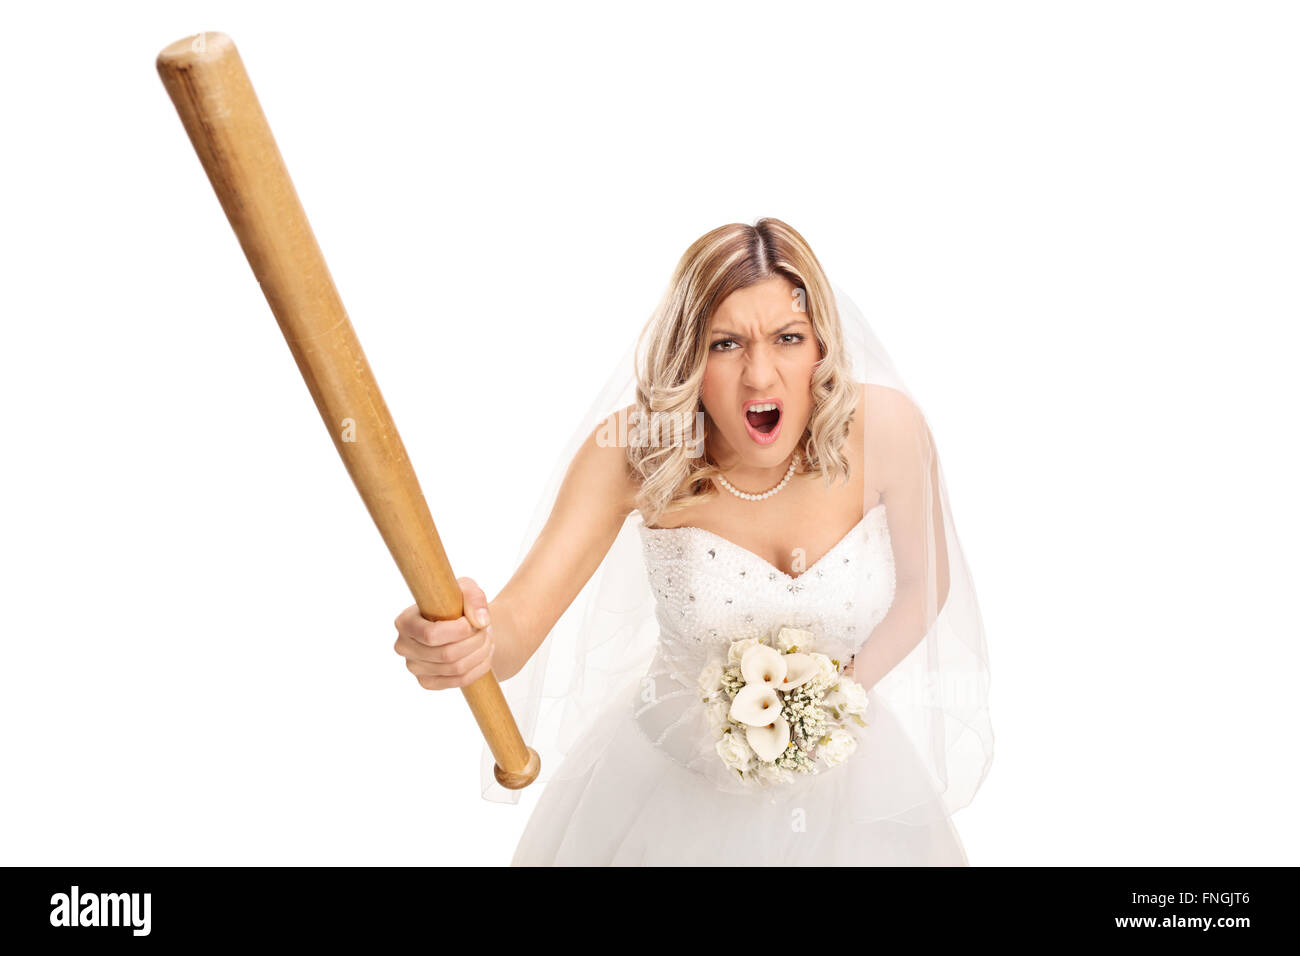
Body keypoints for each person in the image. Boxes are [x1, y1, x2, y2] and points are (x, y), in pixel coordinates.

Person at [392, 218, 994, 865]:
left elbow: (924, 585)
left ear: (821, 344)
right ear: (689, 355)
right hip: (664, 785)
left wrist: (828, 702)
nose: (760, 377)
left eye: (787, 338)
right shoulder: (631, 451)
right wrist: (464, 637)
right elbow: (512, 632)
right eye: (726, 343)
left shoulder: (887, 429)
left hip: (849, 781)